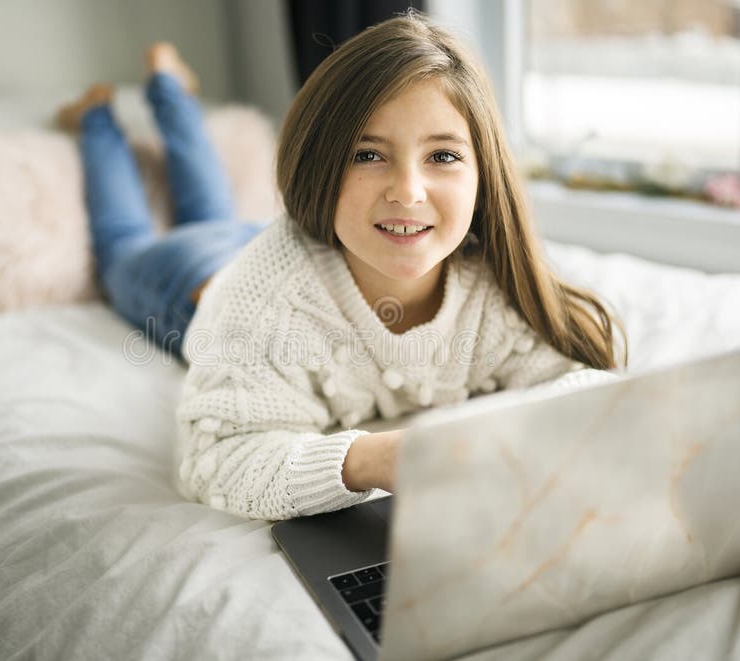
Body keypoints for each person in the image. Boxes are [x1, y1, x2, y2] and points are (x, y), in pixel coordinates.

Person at [59, 11, 627, 522]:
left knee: (214, 209)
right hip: (188, 284)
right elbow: (216, 459)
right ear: (322, 161)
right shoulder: (264, 306)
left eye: (444, 156)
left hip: (279, 244)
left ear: (484, 174)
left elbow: (585, 387)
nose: (408, 192)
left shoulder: (490, 281)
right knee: (124, 245)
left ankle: (170, 89)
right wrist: (370, 459)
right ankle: (99, 121)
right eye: (368, 154)